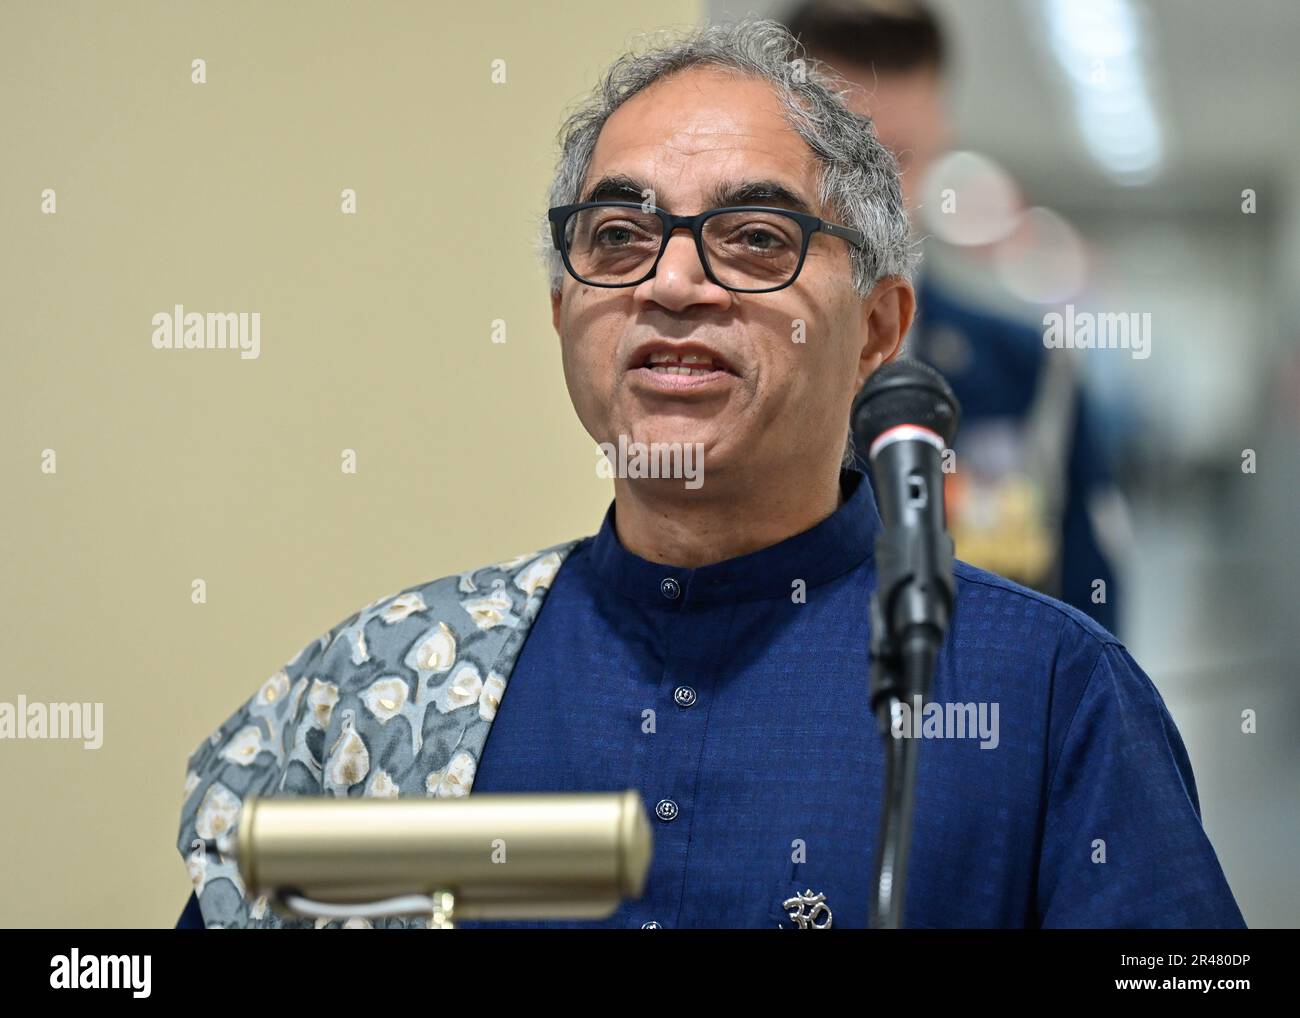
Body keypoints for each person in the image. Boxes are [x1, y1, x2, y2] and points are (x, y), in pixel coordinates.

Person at [176, 17, 1242, 929]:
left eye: (752, 236)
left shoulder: (1045, 693)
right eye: (618, 233)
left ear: (878, 327)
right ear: (562, 310)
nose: (673, 282)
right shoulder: (386, 687)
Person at [783, 0, 1126, 633]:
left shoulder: (1031, 376)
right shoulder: (723, 362)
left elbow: (1091, 624)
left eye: (900, 158)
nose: (873, 198)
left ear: (943, 139)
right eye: (843, 160)